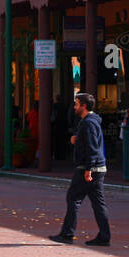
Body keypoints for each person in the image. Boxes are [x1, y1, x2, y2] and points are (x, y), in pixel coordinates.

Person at [49, 92, 111, 247]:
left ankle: (67, 234)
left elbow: (92, 147)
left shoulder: (88, 122)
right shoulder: (91, 121)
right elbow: (91, 142)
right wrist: (76, 140)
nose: (74, 107)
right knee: (98, 203)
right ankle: (104, 236)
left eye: (76, 104)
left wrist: (88, 168)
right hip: (97, 167)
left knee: (73, 198)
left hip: (89, 168)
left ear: (83, 106)